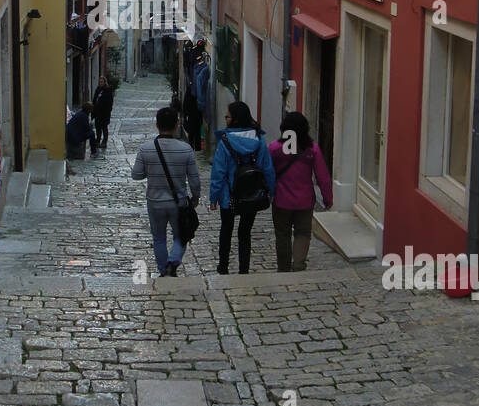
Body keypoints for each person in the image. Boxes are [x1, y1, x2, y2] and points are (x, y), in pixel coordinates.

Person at [131, 106, 201, 277]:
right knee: (181, 236)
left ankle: (164, 270)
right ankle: (173, 262)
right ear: (177, 125)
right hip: (179, 202)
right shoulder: (186, 149)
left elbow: (136, 175)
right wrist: (196, 197)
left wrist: (152, 169)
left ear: (157, 125)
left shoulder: (146, 149)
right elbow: (194, 179)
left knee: (159, 238)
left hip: (154, 201)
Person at [210, 100, 276, 275]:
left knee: (226, 230)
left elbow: (218, 172)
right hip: (252, 194)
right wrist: (270, 191)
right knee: (245, 232)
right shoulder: (259, 139)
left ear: (236, 119)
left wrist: (213, 197)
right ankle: (243, 269)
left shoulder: (225, 141)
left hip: (228, 196)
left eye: (228, 116)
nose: (225, 118)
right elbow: (267, 168)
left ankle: (223, 266)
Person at [268, 112, 332, 272]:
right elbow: (323, 177)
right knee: (303, 233)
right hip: (304, 201)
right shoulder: (313, 149)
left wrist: (270, 193)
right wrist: (327, 198)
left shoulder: (275, 148)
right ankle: (298, 265)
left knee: (282, 235)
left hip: (281, 200)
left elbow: (268, 174)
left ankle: (283, 268)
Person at [92, 75, 114, 149]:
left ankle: (104, 142)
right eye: (99, 82)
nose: (100, 83)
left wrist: (108, 111)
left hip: (104, 113)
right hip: (97, 113)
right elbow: (94, 100)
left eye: (101, 82)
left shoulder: (108, 90)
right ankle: (98, 140)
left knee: (104, 127)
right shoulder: (98, 89)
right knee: (98, 128)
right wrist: (93, 112)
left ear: (105, 82)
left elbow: (110, 103)